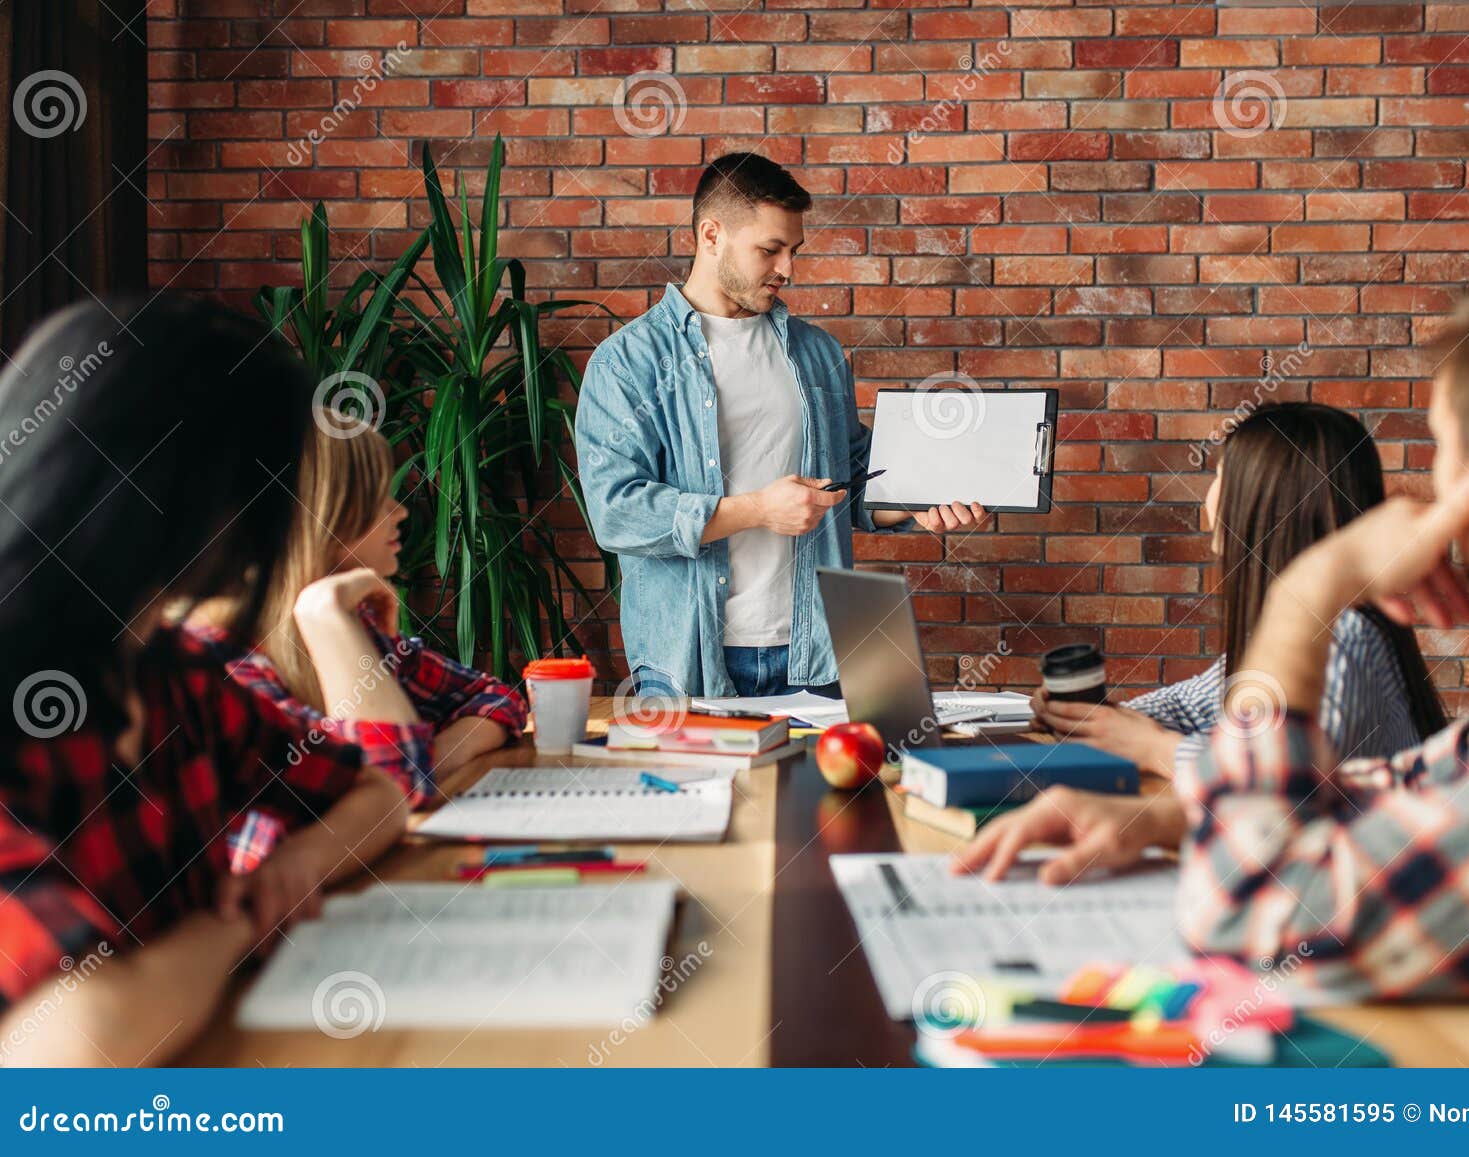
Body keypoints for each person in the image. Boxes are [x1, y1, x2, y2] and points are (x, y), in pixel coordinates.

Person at [956, 227, 1469, 1001]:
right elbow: (1410, 788)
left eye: (1439, 448)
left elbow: (1249, 911)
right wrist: (1167, 819)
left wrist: (1308, 588)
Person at [0, 297, 410, 1065]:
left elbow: (380, 795)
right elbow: (82, 1042)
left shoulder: (175, 672)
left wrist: (299, 864)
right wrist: (228, 930)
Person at [576, 152, 988, 699]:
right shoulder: (628, 362)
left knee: (868, 760)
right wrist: (759, 510)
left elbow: (849, 482)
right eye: (770, 250)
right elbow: (616, 513)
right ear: (712, 235)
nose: (787, 268)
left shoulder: (818, 353)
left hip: (822, 649)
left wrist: (914, 502)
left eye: (794, 250)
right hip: (688, 656)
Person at [1031, 403, 1444, 776]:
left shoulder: (1340, 637)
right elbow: (1192, 707)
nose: (1208, 499)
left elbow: (1283, 783)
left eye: (1218, 477)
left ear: (1261, 501)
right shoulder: (1290, 630)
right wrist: (1091, 718)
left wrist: (1155, 749)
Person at [188, 411, 526, 804]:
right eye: (377, 498)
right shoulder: (231, 665)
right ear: (321, 515)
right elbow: (387, 793)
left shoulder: (362, 626)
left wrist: (430, 763)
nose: (400, 512)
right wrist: (327, 614)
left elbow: (496, 697)